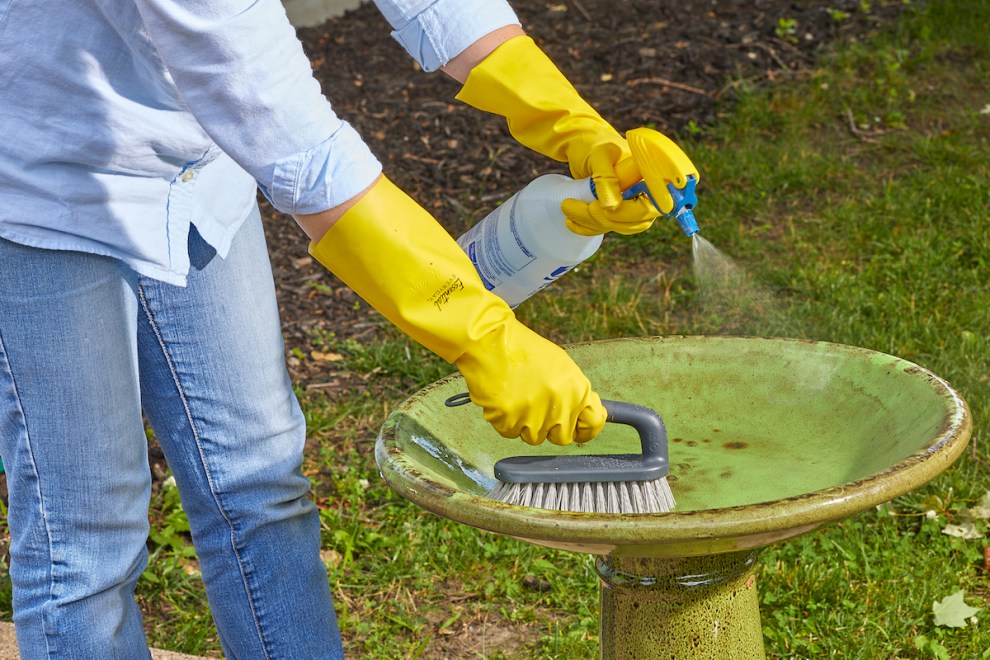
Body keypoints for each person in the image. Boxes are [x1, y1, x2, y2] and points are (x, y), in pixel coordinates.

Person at [0, 0, 660, 656]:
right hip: (46, 181)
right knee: (86, 544)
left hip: (196, 173)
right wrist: (481, 333)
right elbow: (303, 150)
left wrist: (576, 126)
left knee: (260, 486)